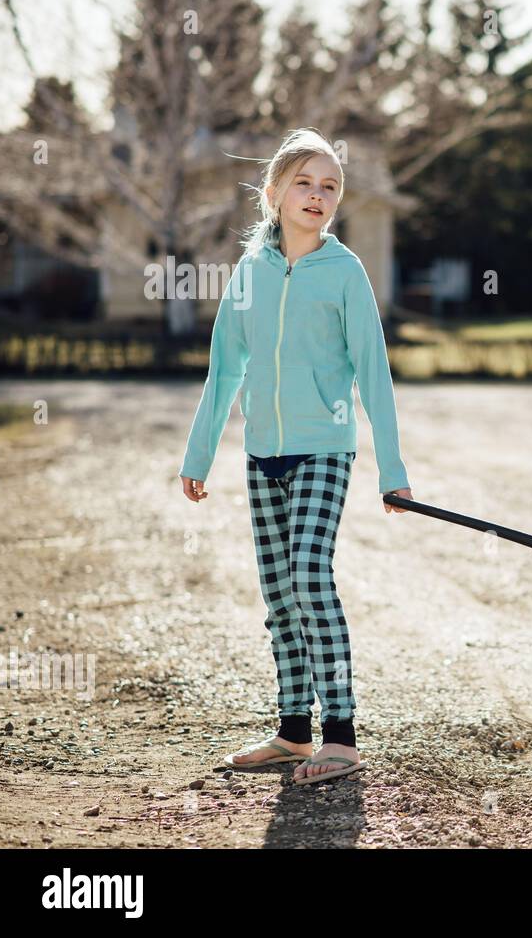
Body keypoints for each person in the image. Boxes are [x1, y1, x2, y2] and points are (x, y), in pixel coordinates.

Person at [179, 127, 413, 784]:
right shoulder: (250, 272)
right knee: (280, 595)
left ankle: (340, 733)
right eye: (305, 182)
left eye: (330, 185)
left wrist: (392, 472)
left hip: (324, 449)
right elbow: (225, 367)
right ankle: (292, 731)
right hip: (263, 455)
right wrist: (199, 454)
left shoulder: (345, 272)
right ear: (276, 191)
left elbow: (374, 372)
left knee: (310, 575)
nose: (318, 195)